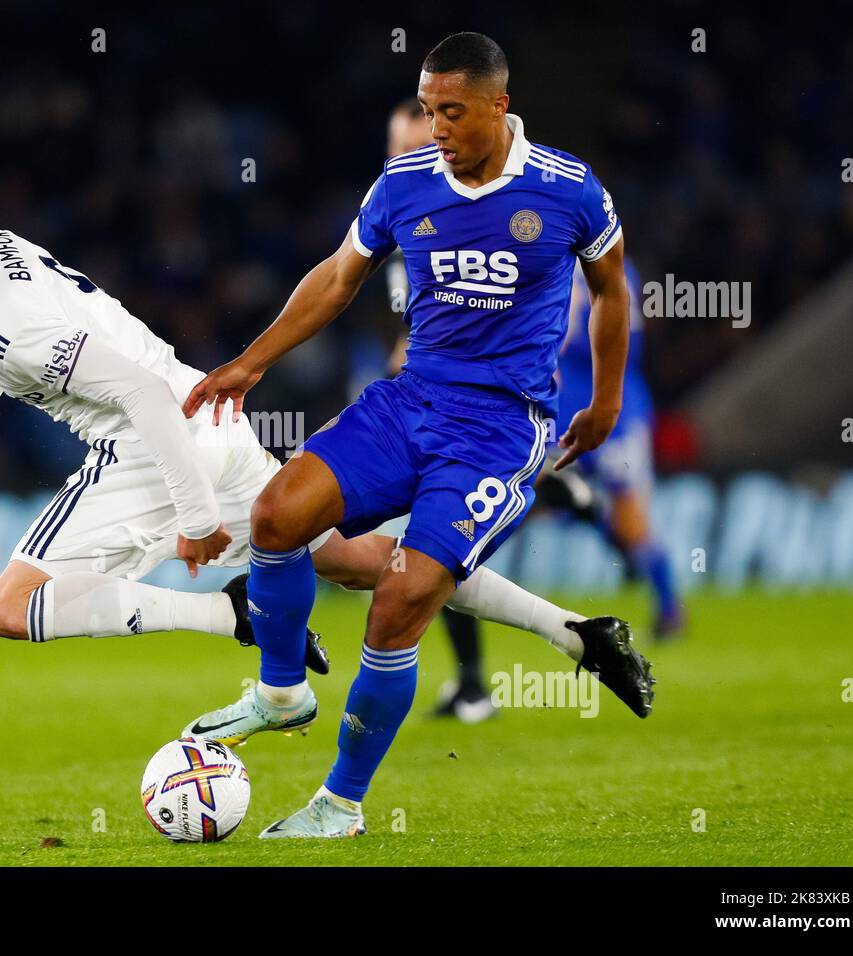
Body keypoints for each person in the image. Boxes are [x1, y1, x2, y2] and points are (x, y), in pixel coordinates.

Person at [0, 179, 627, 686]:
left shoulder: (2, 327)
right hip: (206, 417)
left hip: (152, 437)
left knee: (8, 606)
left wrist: (195, 521)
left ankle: (232, 614)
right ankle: (573, 632)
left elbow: (126, 389)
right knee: (355, 561)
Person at [184, 32, 655, 839]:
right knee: (275, 517)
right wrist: (251, 362)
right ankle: (280, 691)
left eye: (452, 111)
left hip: (501, 430)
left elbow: (610, 289)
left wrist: (606, 403)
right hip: (408, 403)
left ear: (499, 107)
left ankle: (339, 804)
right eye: (428, 109)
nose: (434, 127)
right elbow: (338, 277)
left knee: (400, 602)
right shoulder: (405, 183)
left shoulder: (568, 188)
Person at [385, 98, 497, 723]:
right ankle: (472, 684)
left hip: (474, 415)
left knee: (433, 550)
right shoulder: (400, 216)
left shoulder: (463, 217)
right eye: (393, 151)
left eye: (412, 149)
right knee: (425, 555)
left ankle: (475, 685)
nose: (400, 161)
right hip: (415, 402)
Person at [557, 259, 685, 638]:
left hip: (616, 406)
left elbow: (626, 338)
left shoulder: (607, 261)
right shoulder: (555, 253)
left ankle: (668, 606)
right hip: (564, 402)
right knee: (548, 494)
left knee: (629, 514)